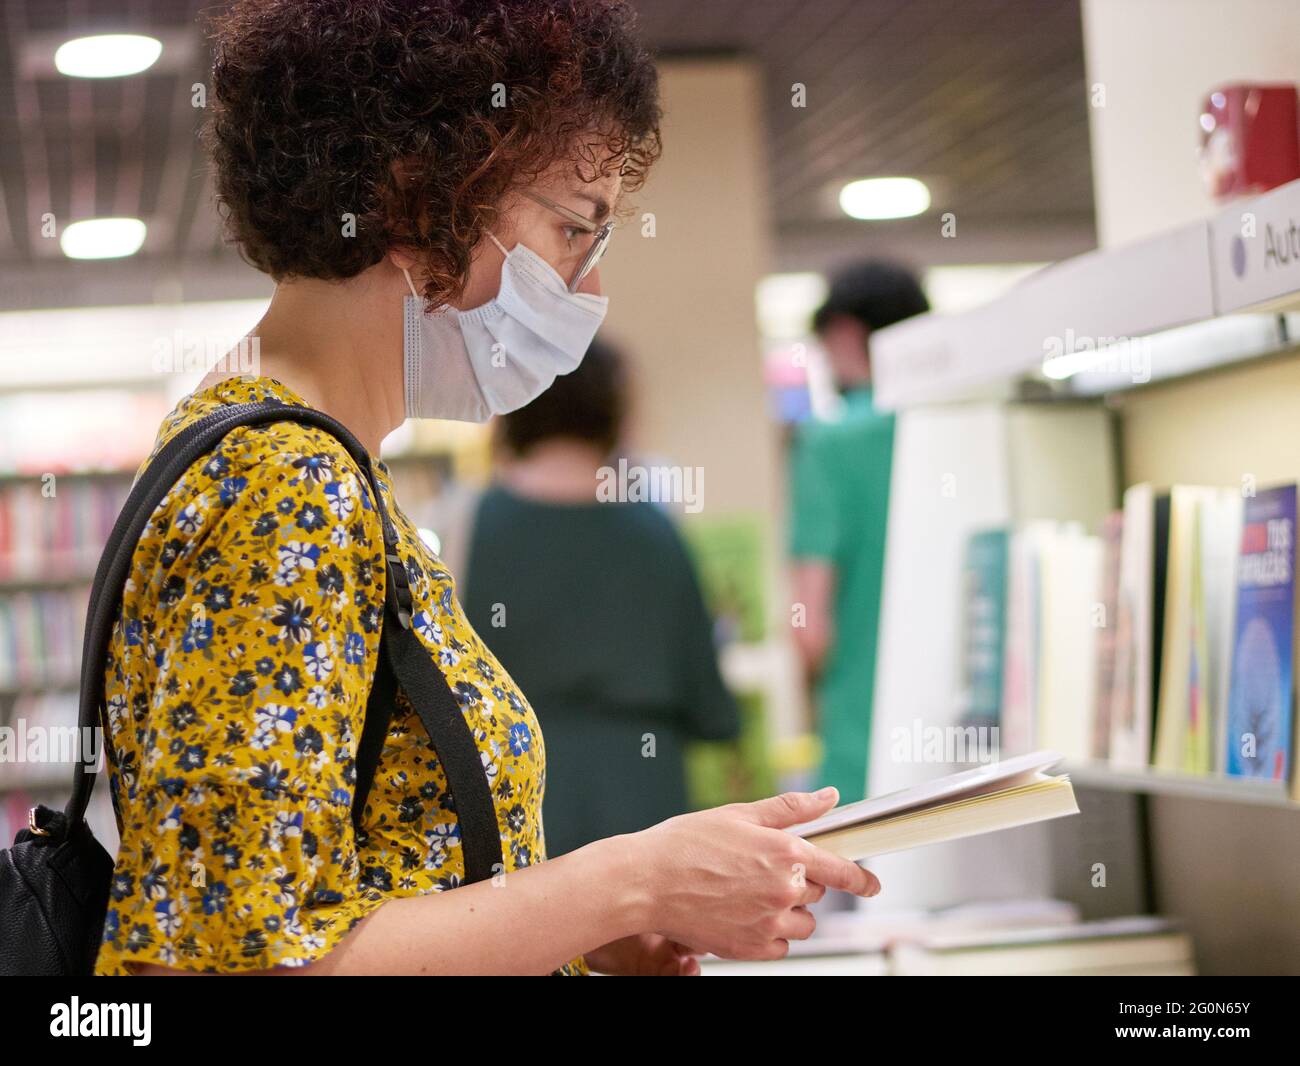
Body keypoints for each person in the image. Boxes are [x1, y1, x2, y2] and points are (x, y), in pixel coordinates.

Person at [95, 0, 879, 978]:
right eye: (571, 230)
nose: (586, 290)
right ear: (419, 200)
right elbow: (244, 960)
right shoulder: (285, 490)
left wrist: (575, 930)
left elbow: (348, 883)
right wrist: (632, 879)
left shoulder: (298, 462)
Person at [462, 338, 740, 856]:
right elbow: (707, 695)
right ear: (613, 410)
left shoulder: (467, 524)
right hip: (643, 790)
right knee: (648, 934)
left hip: (517, 792)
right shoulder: (654, 530)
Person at [789, 260, 930, 805]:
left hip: (864, 725)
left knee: (874, 884)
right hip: (970, 728)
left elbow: (810, 627)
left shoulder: (831, 441)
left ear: (846, 333)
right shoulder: (961, 420)